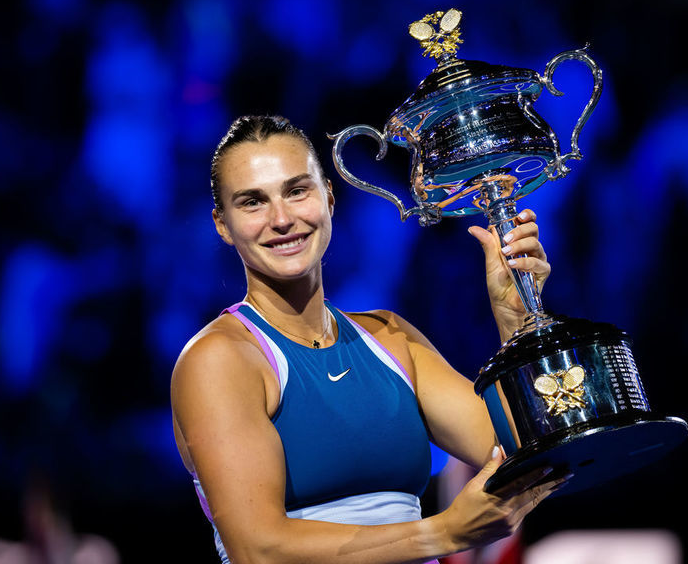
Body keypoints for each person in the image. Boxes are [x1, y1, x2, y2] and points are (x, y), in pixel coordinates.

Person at [170, 115, 568, 564]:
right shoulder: (220, 359)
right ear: (222, 225)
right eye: (252, 202)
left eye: (297, 190)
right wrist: (443, 533)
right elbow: (259, 550)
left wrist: (515, 320)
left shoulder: (391, 338)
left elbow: (530, 453)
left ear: (329, 198)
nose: (281, 219)